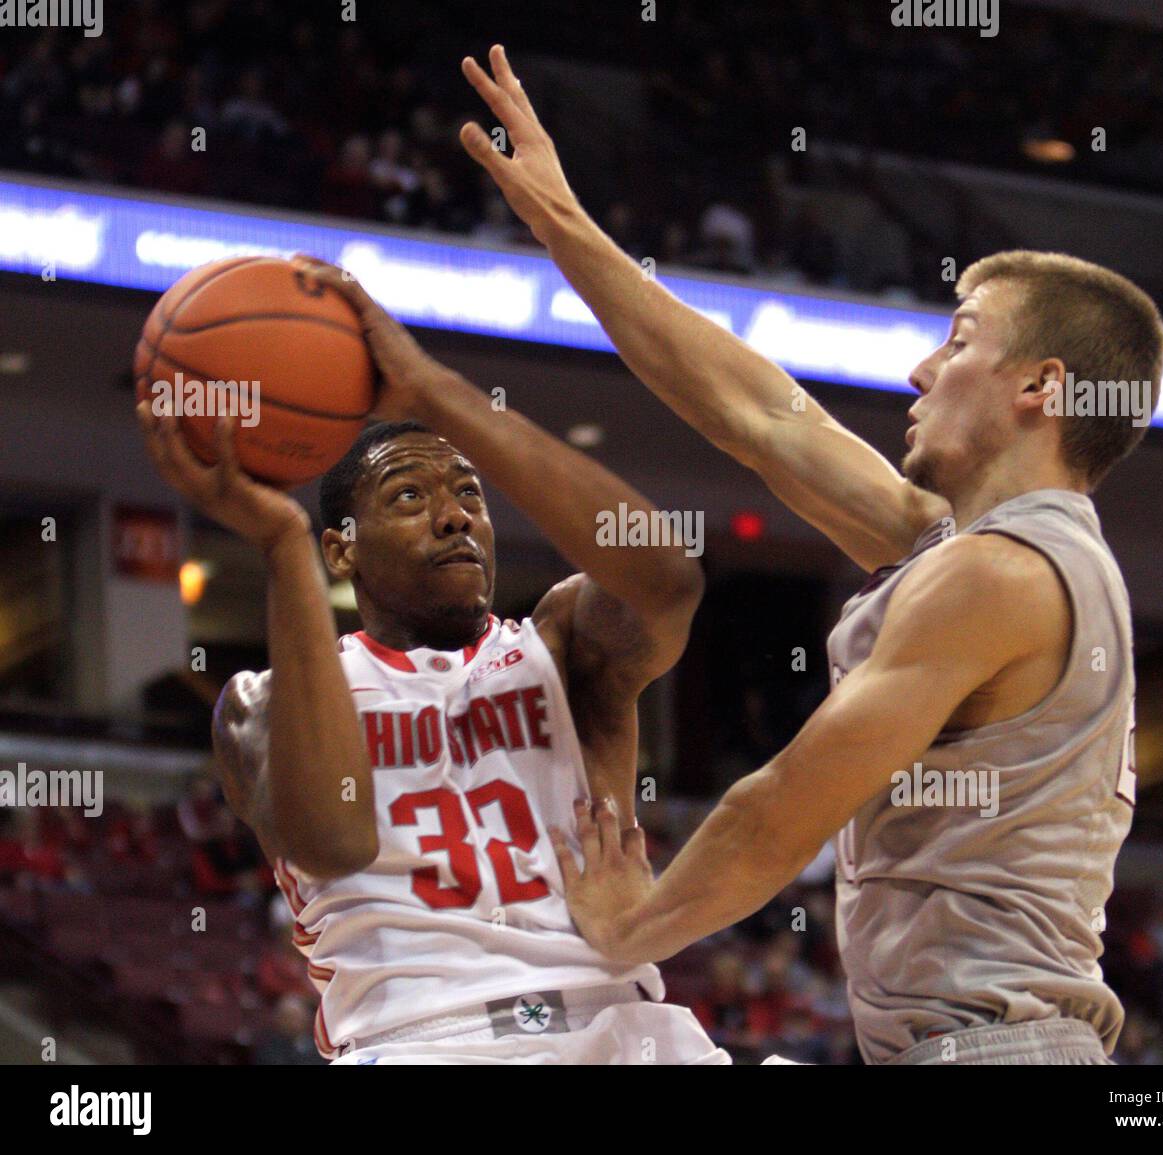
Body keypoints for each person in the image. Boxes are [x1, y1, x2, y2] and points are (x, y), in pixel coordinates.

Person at [459, 44, 1163, 1065]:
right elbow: (760, 416)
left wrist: (630, 924)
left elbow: (779, 811)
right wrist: (562, 227)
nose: (921, 368)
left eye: (960, 341)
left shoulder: (998, 578)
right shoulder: (973, 550)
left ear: (1039, 388)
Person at [134, 257, 726, 1065]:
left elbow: (667, 576)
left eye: (471, 494)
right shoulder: (261, 703)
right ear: (340, 548)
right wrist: (280, 544)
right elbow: (332, 841)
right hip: (423, 1041)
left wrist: (433, 391)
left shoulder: (561, 646)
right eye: (410, 497)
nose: (454, 517)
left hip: (625, 1027)